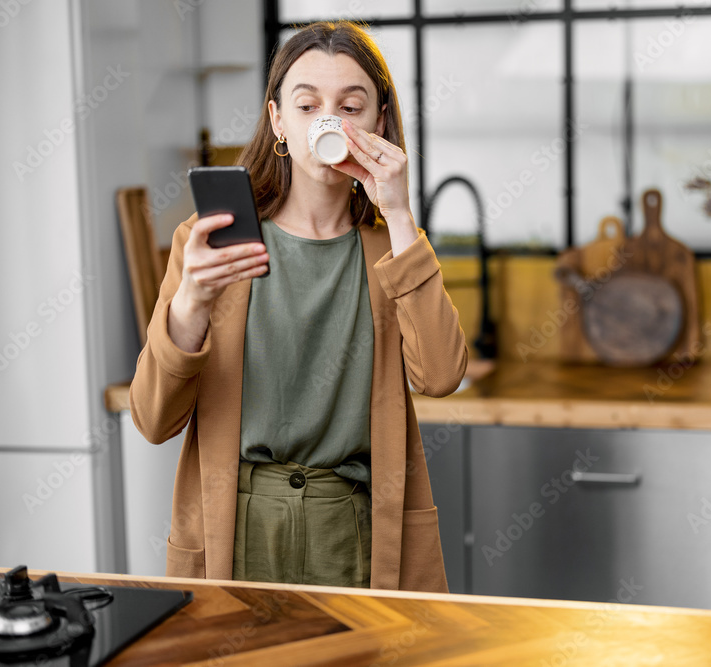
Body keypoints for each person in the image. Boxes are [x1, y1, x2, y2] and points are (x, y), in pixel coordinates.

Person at [129, 21, 468, 593]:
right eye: (307, 105)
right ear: (278, 121)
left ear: (378, 122)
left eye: (350, 106)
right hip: (235, 533)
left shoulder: (392, 248)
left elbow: (440, 376)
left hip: (355, 534)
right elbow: (152, 420)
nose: (327, 121)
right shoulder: (212, 242)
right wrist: (190, 304)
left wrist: (401, 213)